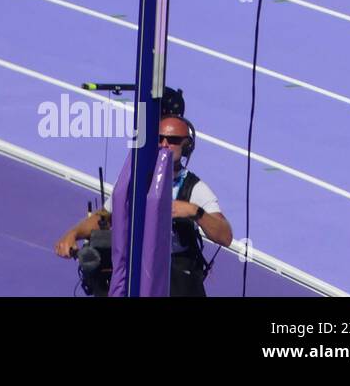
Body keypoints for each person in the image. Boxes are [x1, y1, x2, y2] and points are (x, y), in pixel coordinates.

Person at [54, 114, 233, 296]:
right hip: (135, 267)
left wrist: (195, 212)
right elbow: (106, 217)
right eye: (159, 139)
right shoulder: (135, 180)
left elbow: (225, 236)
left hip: (174, 273)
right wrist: (73, 234)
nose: (164, 144)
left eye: (172, 140)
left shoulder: (195, 189)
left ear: (186, 146)